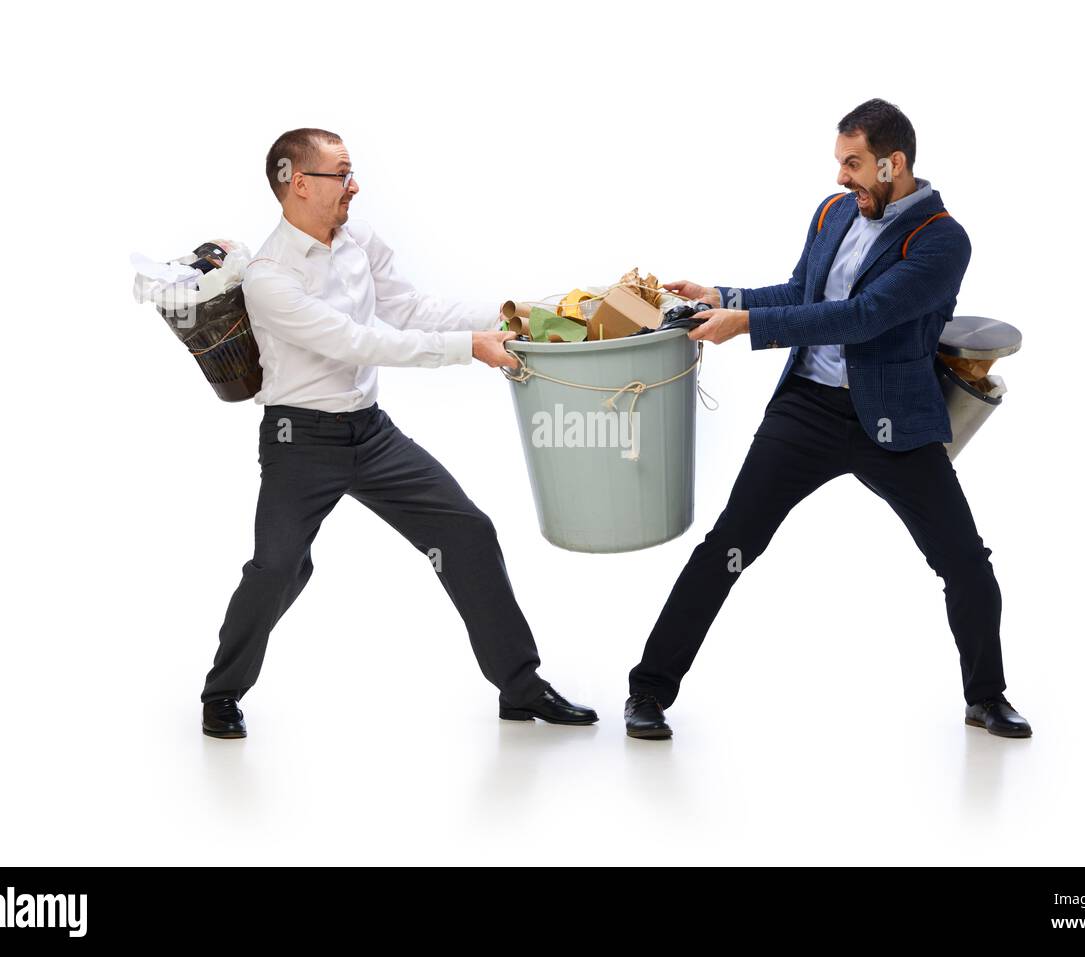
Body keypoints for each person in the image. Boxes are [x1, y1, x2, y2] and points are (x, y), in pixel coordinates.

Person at [623, 100, 1031, 741]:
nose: (843, 177)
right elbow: (802, 293)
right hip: (806, 411)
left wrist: (749, 327)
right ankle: (647, 691)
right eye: (840, 162)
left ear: (894, 165)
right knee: (729, 547)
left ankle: (986, 696)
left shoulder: (943, 240)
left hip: (892, 420)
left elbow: (865, 315)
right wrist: (723, 298)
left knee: (964, 563)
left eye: (855, 163)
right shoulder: (833, 211)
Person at [200, 128, 596, 737]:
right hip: (298, 442)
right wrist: (470, 350)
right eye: (342, 174)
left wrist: (510, 318)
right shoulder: (269, 276)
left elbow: (410, 311)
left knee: (466, 532)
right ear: (298, 182)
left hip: (371, 435)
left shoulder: (358, 241)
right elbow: (353, 341)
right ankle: (222, 693)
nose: (354, 186)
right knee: (279, 568)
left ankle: (520, 688)